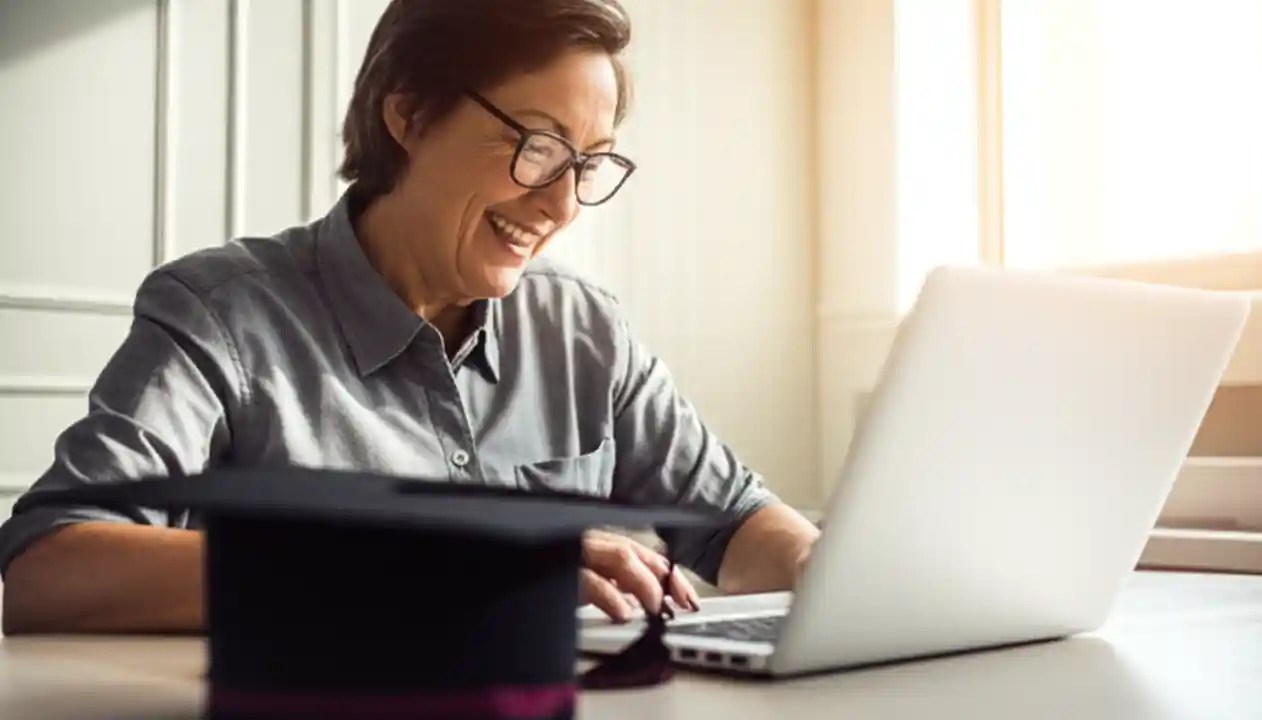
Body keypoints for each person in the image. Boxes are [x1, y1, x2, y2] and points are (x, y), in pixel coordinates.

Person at [0, 0, 819, 634]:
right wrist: (459, 565)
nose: (564, 202)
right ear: (412, 115)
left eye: (589, 163)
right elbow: (46, 568)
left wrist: (834, 577)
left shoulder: (584, 332)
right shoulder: (224, 314)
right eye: (537, 146)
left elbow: (740, 523)